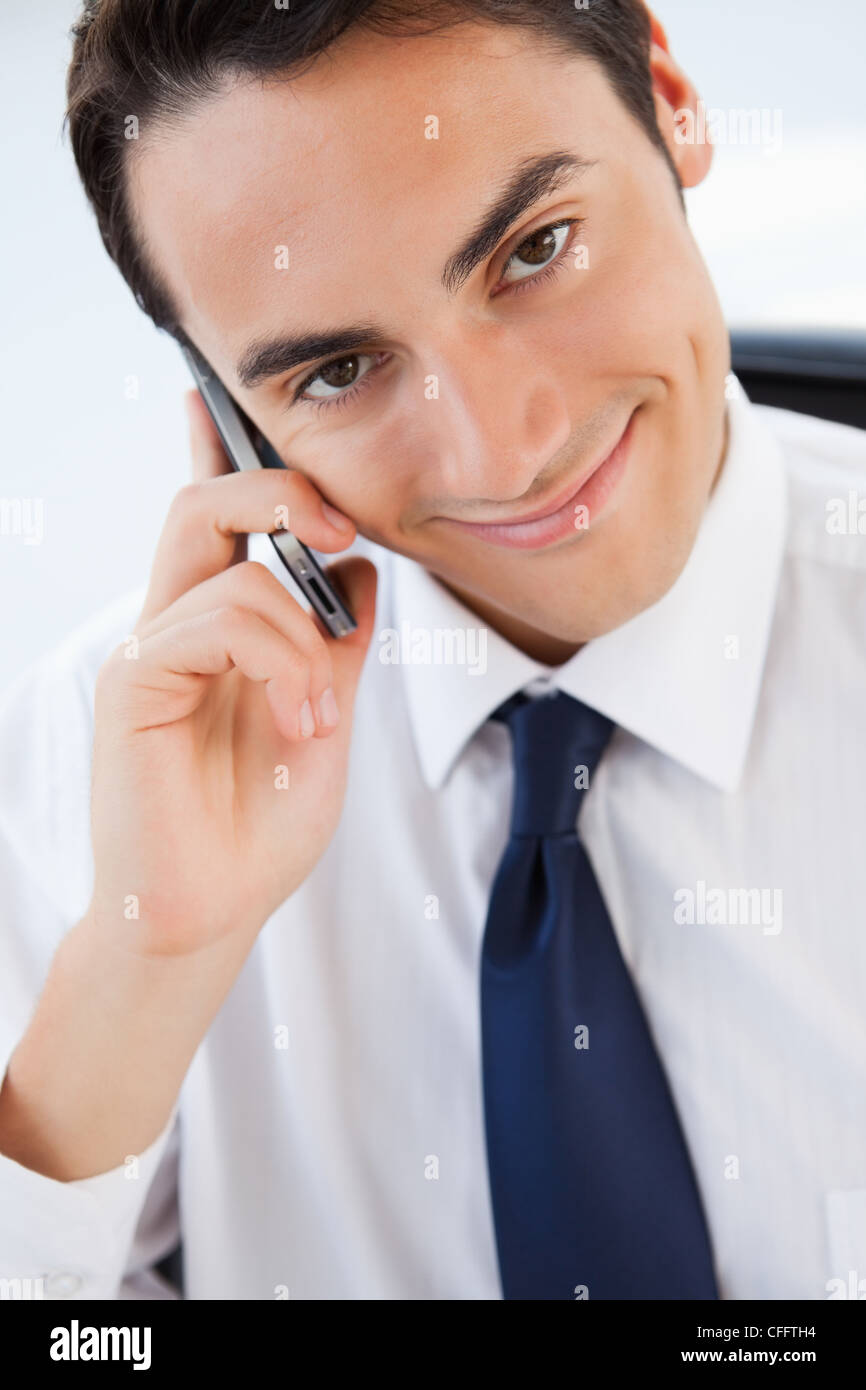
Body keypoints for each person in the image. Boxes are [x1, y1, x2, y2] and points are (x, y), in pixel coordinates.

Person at [1, 0, 864, 1301]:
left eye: (536, 248)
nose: (497, 449)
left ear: (672, 100)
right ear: (230, 417)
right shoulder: (102, 758)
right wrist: (148, 963)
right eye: (339, 370)